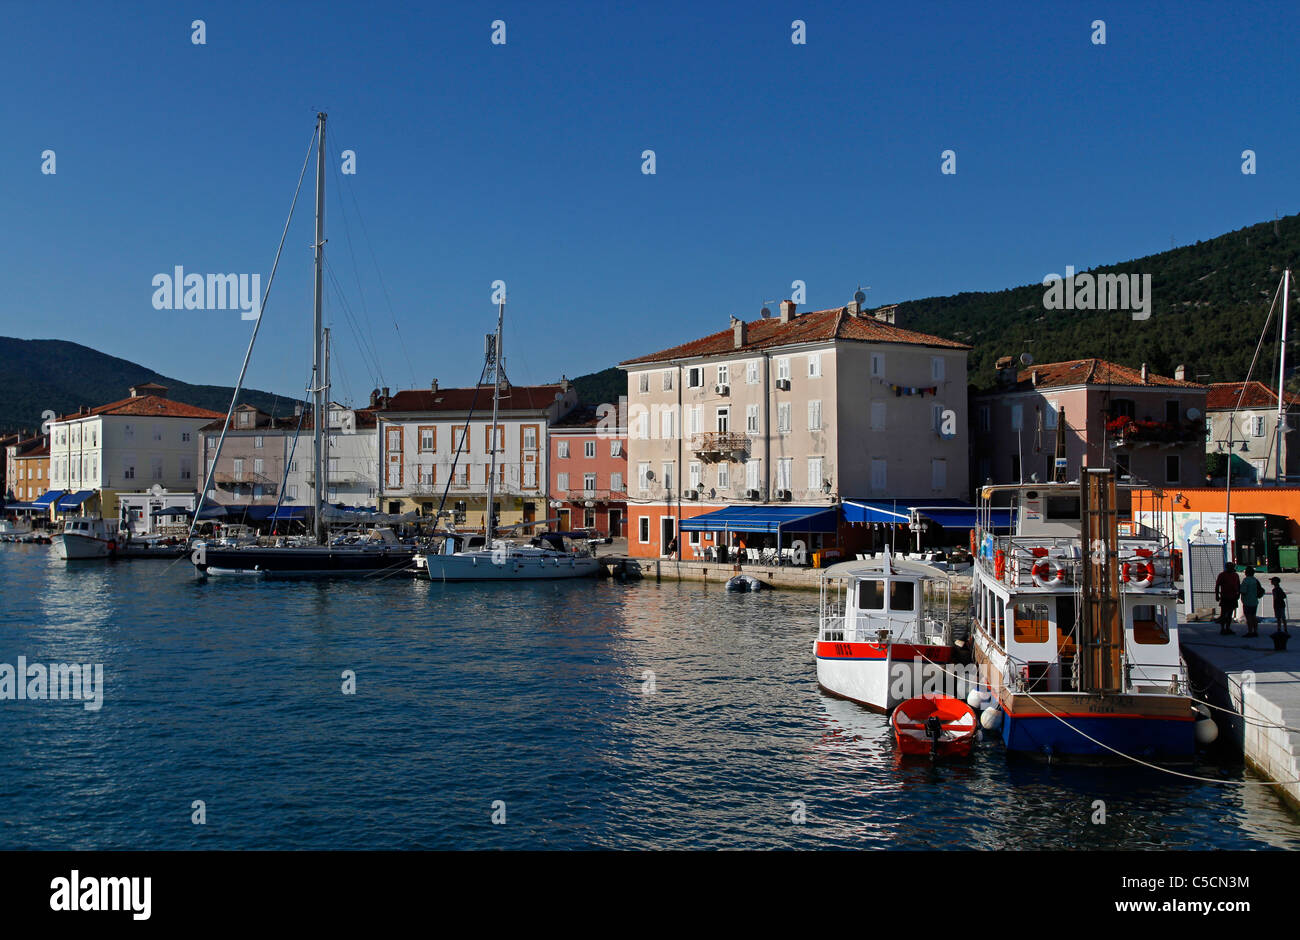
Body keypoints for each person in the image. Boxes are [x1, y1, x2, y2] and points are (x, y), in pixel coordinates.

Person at [1215, 562, 1241, 635]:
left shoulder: (1235, 575)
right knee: (1223, 613)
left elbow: (1238, 585)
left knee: (1230, 614)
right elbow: (1217, 585)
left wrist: (1238, 593)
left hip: (1233, 597)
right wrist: (1217, 595)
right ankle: (1223, 628)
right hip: (1225, 597)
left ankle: (1227, 628)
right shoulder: (1222, 575)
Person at [1240, 566, 1263, 638]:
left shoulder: (1246, 580)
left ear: (1246, 573)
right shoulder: (1255, 580)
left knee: (1248, 617)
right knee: (1253, 616)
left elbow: (1243, 591)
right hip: (1254, 601)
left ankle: (1250, 631)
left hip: (1247, 601)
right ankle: (1255, 631)